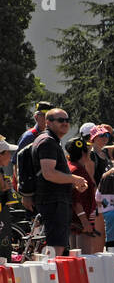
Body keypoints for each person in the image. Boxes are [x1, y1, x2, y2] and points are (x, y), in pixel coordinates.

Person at [29, 108, 87, 257]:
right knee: (56, 246)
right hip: (53, 200)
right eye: (60, 120)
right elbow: (49, 173)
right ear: (48, 122)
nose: (65, 123)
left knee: (57, 244)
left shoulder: (51, 140)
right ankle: (51, 277)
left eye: (67, 120)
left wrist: (72, 183)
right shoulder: (48, 141)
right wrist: (74, 179)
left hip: (54, 199)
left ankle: (52, 275)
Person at [66, 140, 103, 253]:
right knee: (85, 257)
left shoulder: (71, 166)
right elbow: (76, 199)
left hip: (75, 221)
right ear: (83, 153)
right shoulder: (78, 170)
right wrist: (85, 222)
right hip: (81, 222)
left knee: (75, 256)